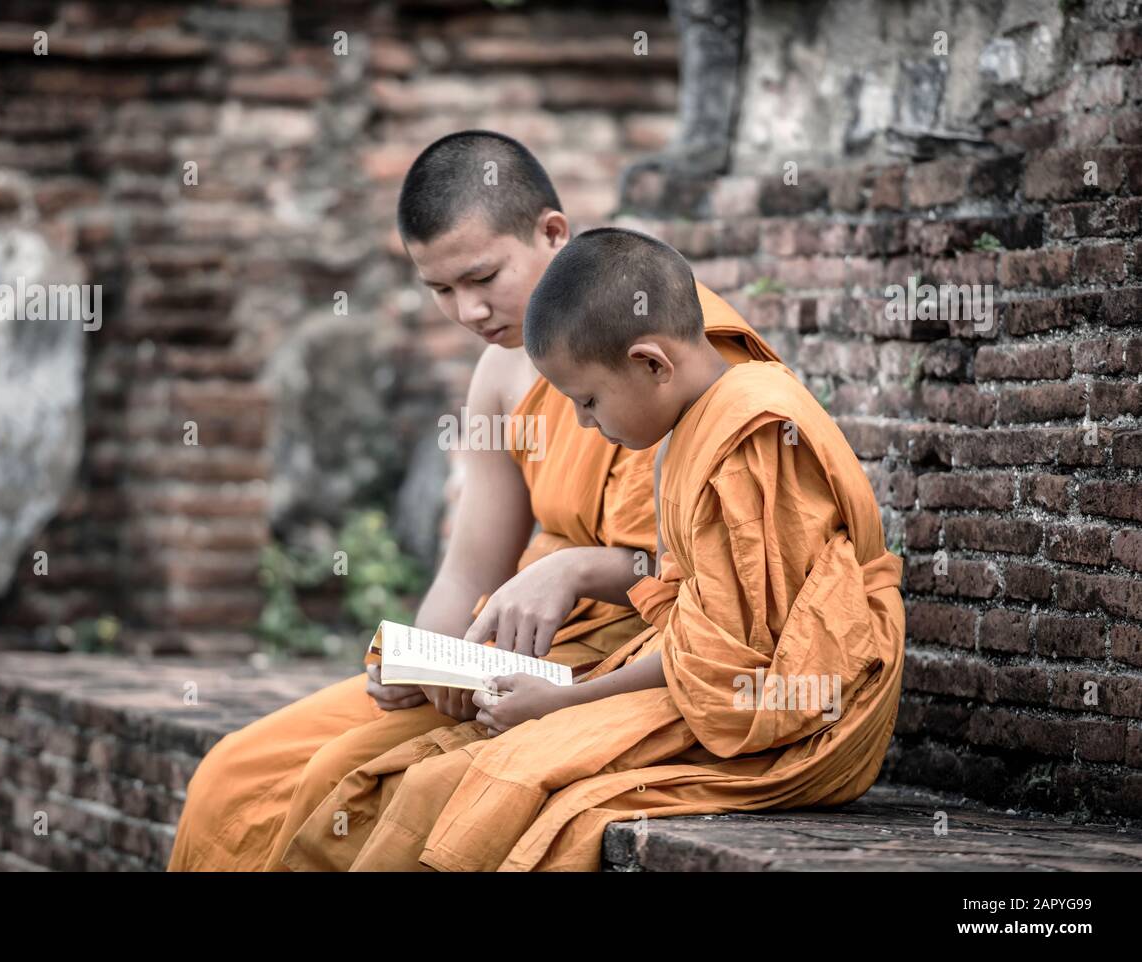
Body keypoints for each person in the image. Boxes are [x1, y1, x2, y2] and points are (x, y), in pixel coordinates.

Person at [279, 227, 904, 872]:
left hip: (788, 716)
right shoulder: (691, 423)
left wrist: (566, 701)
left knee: (491, 778)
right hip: (710, 681)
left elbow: (727, 660)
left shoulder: (750, 436)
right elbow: (695, 617)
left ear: (652, 364)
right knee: (433, 770)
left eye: (588, 400)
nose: (581, 421)